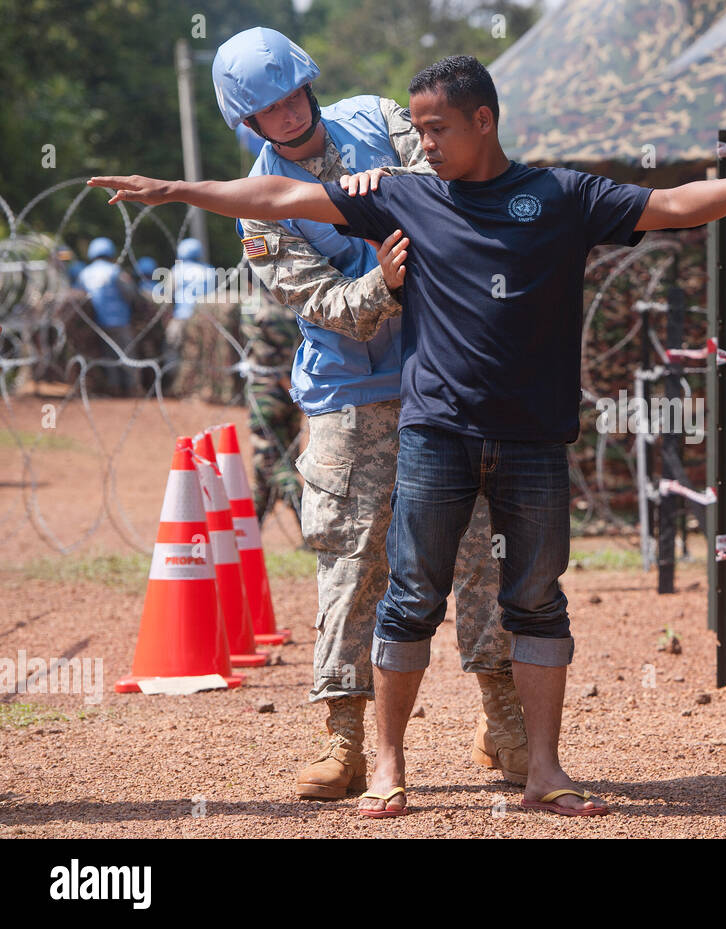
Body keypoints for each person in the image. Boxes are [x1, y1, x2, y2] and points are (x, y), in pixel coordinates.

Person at [88, 55, 726, 817]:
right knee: (402, 592)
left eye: (435, 129)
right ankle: (379, 758)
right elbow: (277, 194)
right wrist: (178, 190)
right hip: (428, 429)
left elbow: (677, 203)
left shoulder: (562, 194)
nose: (422, 143)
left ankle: (536, 759)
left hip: (531, 440)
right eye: (416, 129)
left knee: (534, 598)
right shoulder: (405, 196)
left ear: (483, 121)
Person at [209, 27, 526, 800]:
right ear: (246, 123)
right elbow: (316, 302)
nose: (286, 116)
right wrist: (382, 283)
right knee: (354, 561)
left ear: (309, 84)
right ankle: (344, 739)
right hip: (349, 393)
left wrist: (402, 188)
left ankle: (504, 714)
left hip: (442, 371)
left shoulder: (383, 119)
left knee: (482, 543)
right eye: (266, 112)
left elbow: (451, 190)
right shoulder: (258, 207)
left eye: (291, 97)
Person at [239, 278, 304, 528]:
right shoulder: (292, 305)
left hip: (266, 389)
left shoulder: (254, 305)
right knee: (279, 459)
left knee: (270, 461)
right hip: (291, 388)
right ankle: (251, 529)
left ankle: (305, 517)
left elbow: (264, 353)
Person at [75, 237, 138, 395]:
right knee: (127, 353)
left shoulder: (85, 273)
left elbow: (79, 296)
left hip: (99, 321)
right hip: (120, 320)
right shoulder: (115, 271)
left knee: (109, 355)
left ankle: (114, 387)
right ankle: (133, 387)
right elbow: (130, 294)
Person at [163, 237, 215, 393]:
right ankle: (199, 388)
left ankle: (175, 386)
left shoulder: (176, 270)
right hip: (202, 318)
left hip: (181, 316)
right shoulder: (209, 270)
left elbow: (167, 296)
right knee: (201, 352)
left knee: (172, 349)